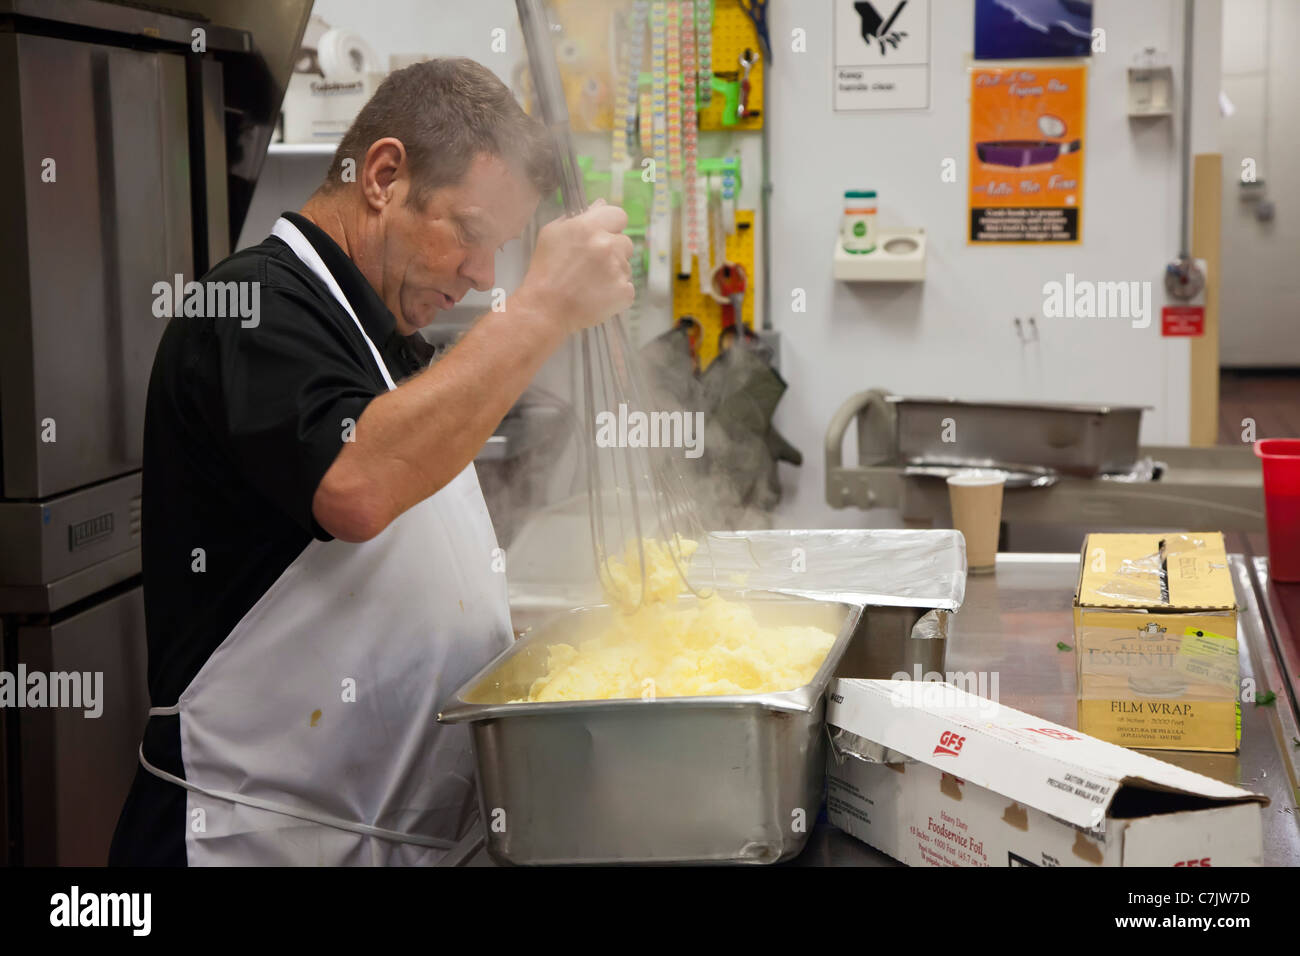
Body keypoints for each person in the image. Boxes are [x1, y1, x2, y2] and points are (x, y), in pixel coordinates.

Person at [109, 57, 634, 865]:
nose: (484, 275)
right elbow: (355, 487)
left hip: (387, 838)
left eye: (502, 250)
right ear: (384, 175)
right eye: (470, 233)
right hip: (261, 842)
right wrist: (543, 307)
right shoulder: (254, 307)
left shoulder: (383, 339)